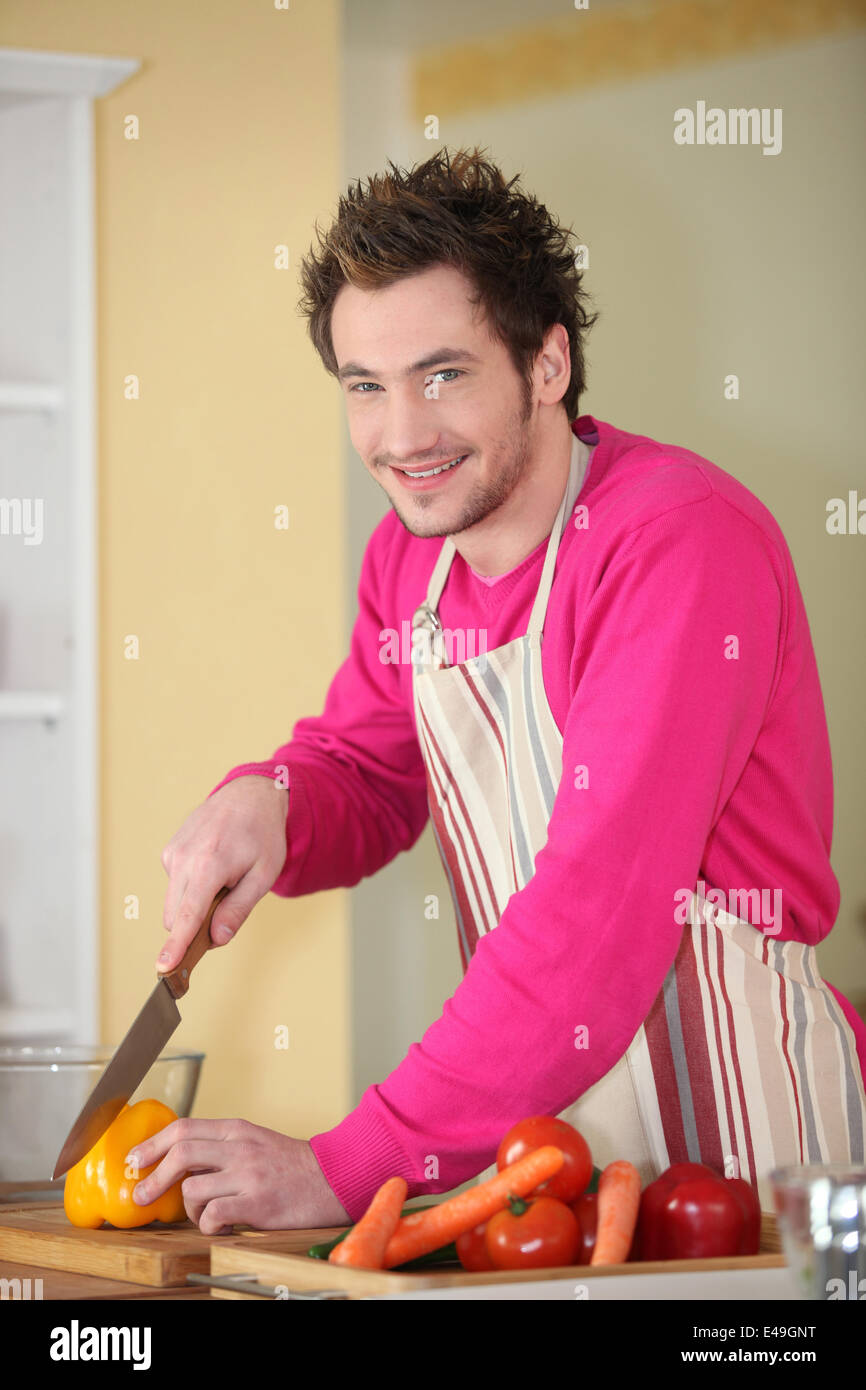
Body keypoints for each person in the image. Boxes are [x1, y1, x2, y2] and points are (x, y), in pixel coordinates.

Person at [128, 147, 866, 1235]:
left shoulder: (673, 543)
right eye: (364, 388)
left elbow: (592, 921)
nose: (402, 436)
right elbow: (368, 768)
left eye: (442, 374)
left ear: (548, 362)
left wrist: (348, 1164)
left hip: (753, 1167)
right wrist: (272, 800)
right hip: (542, 1167)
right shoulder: (408, 561)